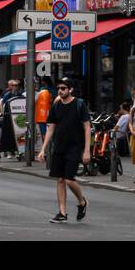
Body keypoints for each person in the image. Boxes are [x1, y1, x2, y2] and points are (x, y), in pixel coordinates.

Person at [41, 76, 91, 223]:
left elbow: (87, 127)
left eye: (63, 88)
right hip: (59, 147)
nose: (60, 91)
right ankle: (62, 213)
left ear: (70, 90)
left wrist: (87, 150)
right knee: (60, 179)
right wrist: (43, 149)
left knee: (69, 179)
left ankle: (82, 202)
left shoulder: (79, 105)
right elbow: (51, 128)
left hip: (74, 147)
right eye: (59, 89)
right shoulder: (56, 106)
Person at [34, 76, 53, 143]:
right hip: (50, 112)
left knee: (43, 131)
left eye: (42, 81)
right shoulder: (52, 89)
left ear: (44, 82)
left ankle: (45, 146)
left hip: (42, 114)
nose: (41, 82)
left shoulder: (42, 90)